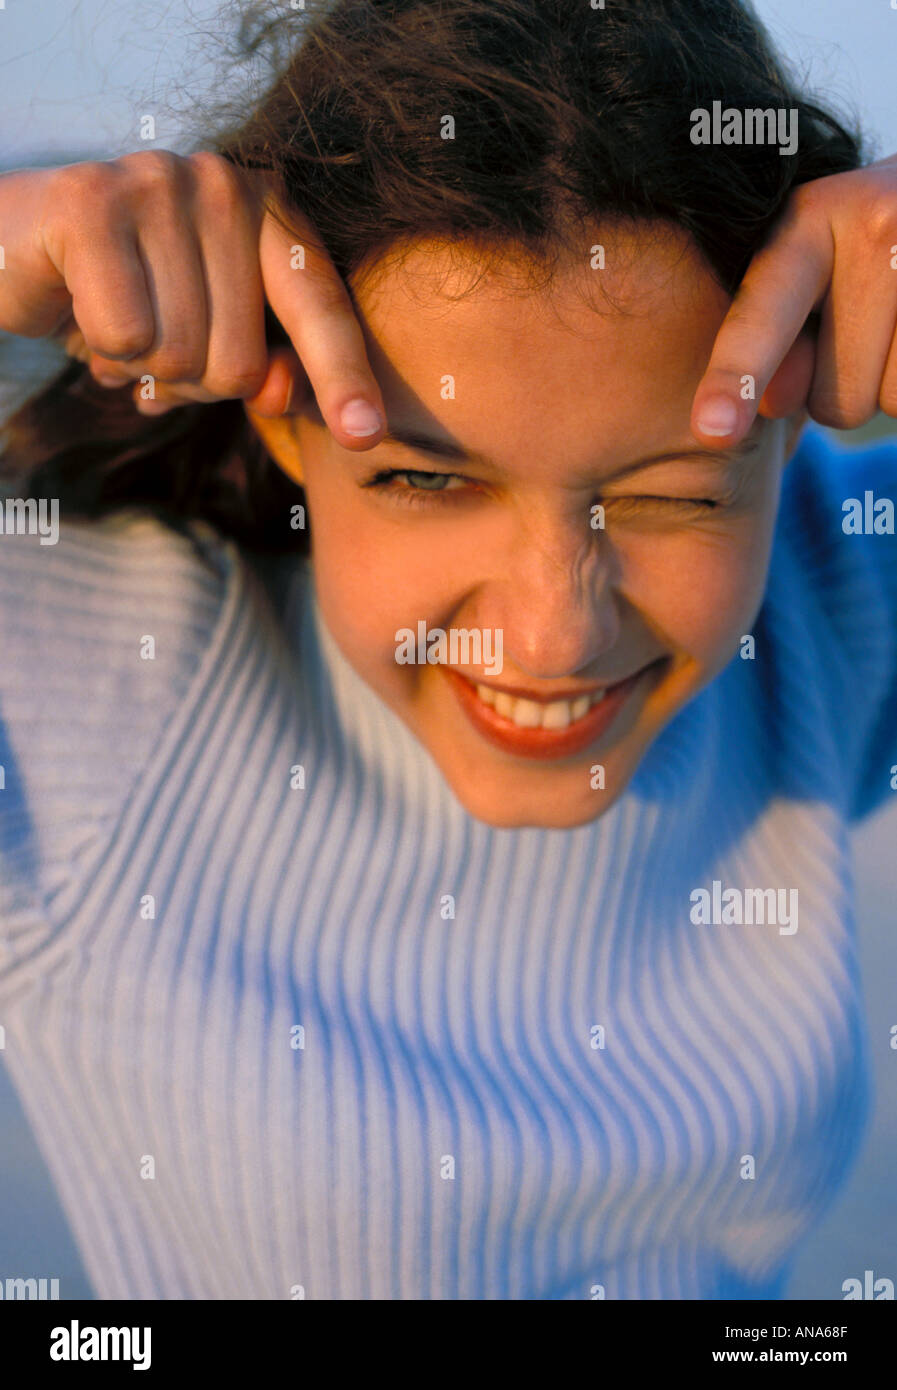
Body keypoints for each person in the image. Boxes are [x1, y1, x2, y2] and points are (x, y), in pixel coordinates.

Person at [0, 0, 895, 1300]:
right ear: (289, 431)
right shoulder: (94, 687)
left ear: (786, 438)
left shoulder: (822, 612)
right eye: (426, 482)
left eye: (675, 494)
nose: (554, 631)